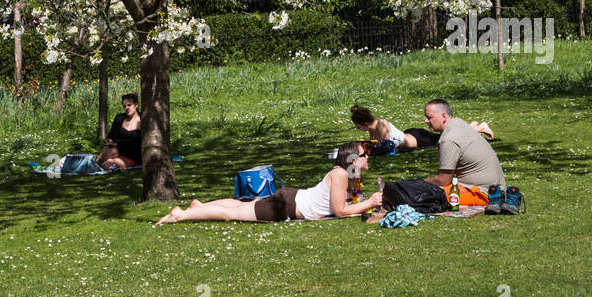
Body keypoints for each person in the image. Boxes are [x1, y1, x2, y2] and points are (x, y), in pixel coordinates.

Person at [155, 142, 383, 224]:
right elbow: (340, 211)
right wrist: (371, 202)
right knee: (232, 214)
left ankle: (199, 207)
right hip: (287, 206)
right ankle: (180, 215)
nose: (367, 157)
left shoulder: (350, 176)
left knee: (241, 204)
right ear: (353, 159)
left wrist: (370, 201)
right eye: (364, 154)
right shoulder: (341, 174)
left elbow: (347, 205)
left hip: (291, 200)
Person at [419, 98, 506, 206]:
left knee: (422, 195)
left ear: (444, 116)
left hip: (482, 194)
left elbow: (443, 180)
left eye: (429, 117)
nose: (426, 121)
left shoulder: (449, 139)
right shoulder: (458, 123)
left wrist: (421, 182)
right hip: (496, 188)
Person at [350, 103, 496, 153]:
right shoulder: (372, 128)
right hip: (411, 135)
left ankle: (479, 127)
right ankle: (473, 126)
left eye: (358, 126)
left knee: (449, 137)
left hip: (419, 140)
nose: (358, 129)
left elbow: (385, 146)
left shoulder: (381, 124)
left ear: (363, 124)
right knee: (447, 135)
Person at [96, 93, 142, 170]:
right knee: (107, 149)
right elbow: (111, 135)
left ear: (136, 105)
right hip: (117, 151)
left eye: (129, 105)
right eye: (124, 106)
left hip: (132, 157)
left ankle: (94, 166)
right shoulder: (120, 118)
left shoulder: (143, 119)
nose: (127, 108)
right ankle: (93, 165)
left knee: (108, 164)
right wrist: (109, 141)